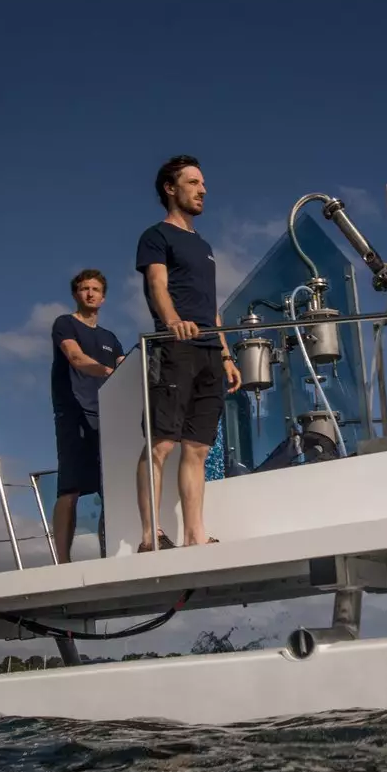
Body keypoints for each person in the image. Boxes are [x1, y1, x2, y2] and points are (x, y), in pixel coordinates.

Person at [134, 154, 241, 552]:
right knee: (162, 443)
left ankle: (195, 535)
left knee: (197, 447)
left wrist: (227, 354)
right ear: (170, 188)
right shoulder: (156, 236)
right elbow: (158, 286)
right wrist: (173, 321)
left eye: (202, 184)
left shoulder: (205, 246)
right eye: (193, 182)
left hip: (210, 349)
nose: (203, 190)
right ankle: (150, 536)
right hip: (174, 346)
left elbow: (211, 304)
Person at [50, 268, 125, 563]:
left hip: (106, 416)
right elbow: (76, 358)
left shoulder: (110, 337)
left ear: (103, 298)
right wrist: (110, 372)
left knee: (110, 488)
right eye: (84, 289)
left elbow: (125, 366)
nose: (90, 293)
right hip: (73, 413)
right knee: (70, 488)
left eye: (95, 289)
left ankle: (109, 556)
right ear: (75, 294)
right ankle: (62, 562)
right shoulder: (64, 324)